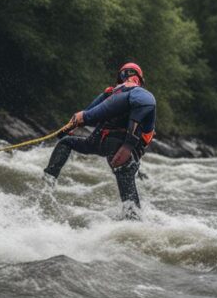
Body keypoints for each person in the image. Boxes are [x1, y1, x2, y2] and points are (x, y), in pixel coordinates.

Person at [43, 62, 156, 219]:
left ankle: (46, 186)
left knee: (66, 142)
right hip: (120, 151)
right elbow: (147, 134)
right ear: (139, 78)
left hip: (100, 143)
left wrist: (66, 130)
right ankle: (135, 225)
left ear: (122, 76)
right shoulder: (128, 93)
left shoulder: (119, 92)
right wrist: (130, 148)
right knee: (130, 203)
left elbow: (85, 116)